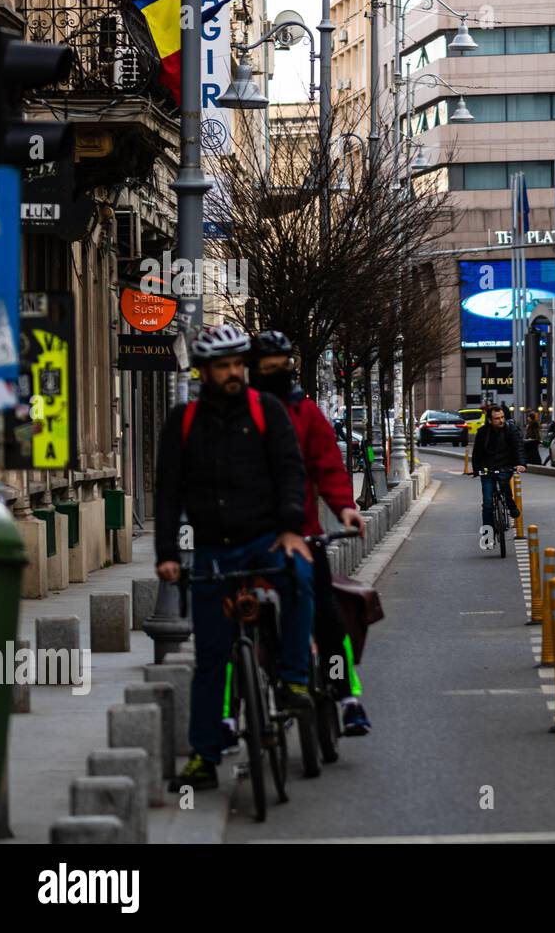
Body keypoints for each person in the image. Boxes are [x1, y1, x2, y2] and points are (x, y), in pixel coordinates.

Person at [155, 324, 313, 791]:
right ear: (204, 372)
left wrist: (289, 530)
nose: (232, 373)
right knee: (211, 657)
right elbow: (167, 494)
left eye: (236, 365)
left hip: (266, 539)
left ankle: (293, 678)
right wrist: (167, 554)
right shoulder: (183, 422)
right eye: (221, 366)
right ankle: (204, 755)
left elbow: (290, 471)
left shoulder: (267, 412)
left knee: (301, 578)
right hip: (212, 551)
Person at [249, 332, 373, 736]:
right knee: (239, 619)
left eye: (282, 365)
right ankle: (238, 710)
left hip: (304, 535)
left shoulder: (305, 413)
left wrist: (346, 508)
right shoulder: (242, 415)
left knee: (329, 618)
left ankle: (348, 696)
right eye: (268, 367)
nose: (277, 372)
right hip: (249, 538)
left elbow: (328, 466)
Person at [471, 404, 526, 527]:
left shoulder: (511, 430)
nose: (501, 420)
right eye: (497, 418)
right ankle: (488, 534)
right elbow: (477, 453)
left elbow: (519, 448)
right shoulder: (482, 433)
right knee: (487, 502)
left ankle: (510, 505)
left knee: (503, 482)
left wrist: (521, 464)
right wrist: (476, 470)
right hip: (487, 468)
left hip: (505, 465)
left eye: (502, 417)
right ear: (490, 420)